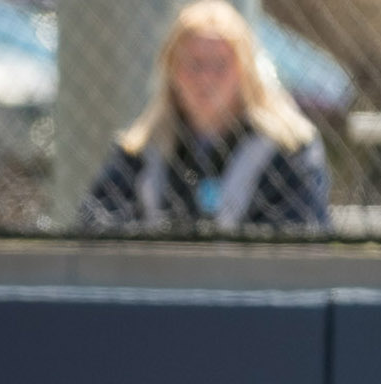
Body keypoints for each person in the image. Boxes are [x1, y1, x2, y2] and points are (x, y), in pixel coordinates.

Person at [79, 0, 329, 233]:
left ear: (245, 73)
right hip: (158, 277)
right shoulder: (143, 147)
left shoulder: (289, 148)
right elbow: (96, 221)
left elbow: (298, 233)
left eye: (220, 65)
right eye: (194, 63)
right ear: (171, 70)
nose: (205, 78)